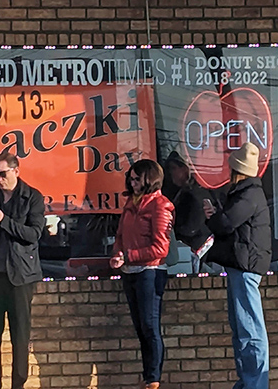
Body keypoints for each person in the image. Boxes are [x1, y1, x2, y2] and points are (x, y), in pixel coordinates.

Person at [0, 152, 45, 389]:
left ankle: (18, 384)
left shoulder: (32, 197)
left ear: (16, 171)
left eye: (2, 174)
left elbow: (34, 234)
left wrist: (3, 220)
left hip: (20, 276)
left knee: (20, 334)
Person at [203, 143, 271, 389]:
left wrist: (213, 217)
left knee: (249, 329)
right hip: (241, 265)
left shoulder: (248, 194)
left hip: (245, 267)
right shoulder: (247, 193)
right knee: (242, 328)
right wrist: (217, 216)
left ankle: (255, 384)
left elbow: (226, 224)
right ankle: (248, 382)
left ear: (237, 170)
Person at [110, 159, 174, 389]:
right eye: (131, 178)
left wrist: (128, 256)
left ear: (149, 179)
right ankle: (148, 376)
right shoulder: (131, 202)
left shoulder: (160, 205)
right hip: (130, 270)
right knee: (140, 327)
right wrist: (118, 254)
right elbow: (120, 235)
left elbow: (161, 248)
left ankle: (153, 378)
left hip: (151, 270)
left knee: (150, 325)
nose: (132, 182)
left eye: (137, 179)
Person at [162, 151, 214, 273]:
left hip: (197, 245)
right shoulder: (178, 192)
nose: (171, 173)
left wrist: (175, 232)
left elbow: (192, 226)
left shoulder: (195, 194)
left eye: (174, 168)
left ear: (185, 169)